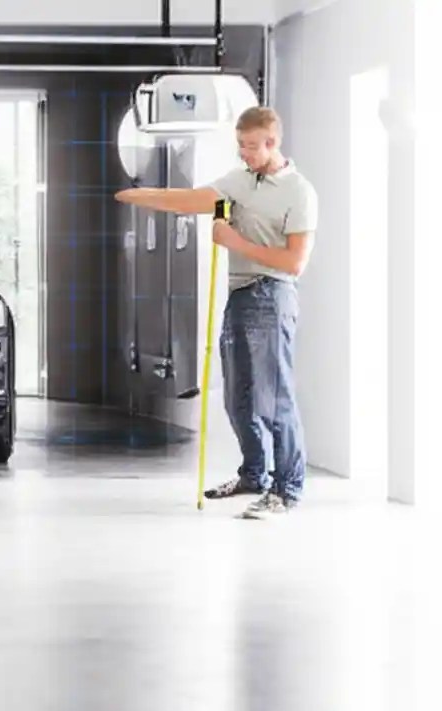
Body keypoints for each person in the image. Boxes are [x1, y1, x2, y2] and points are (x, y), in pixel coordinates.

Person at [114, 106, 318, 519]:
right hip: (240, 297)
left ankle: (287, 490)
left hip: (272, 296)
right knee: (238, 399)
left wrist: (232, 241)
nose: (243, 153)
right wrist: (139, 195)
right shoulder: (239, 182)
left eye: (249, 146)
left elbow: (294, 263)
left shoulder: (299, 191)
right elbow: (192, 199)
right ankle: (254, 474)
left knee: (273, 400)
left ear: (271, 142)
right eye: (239, 145)